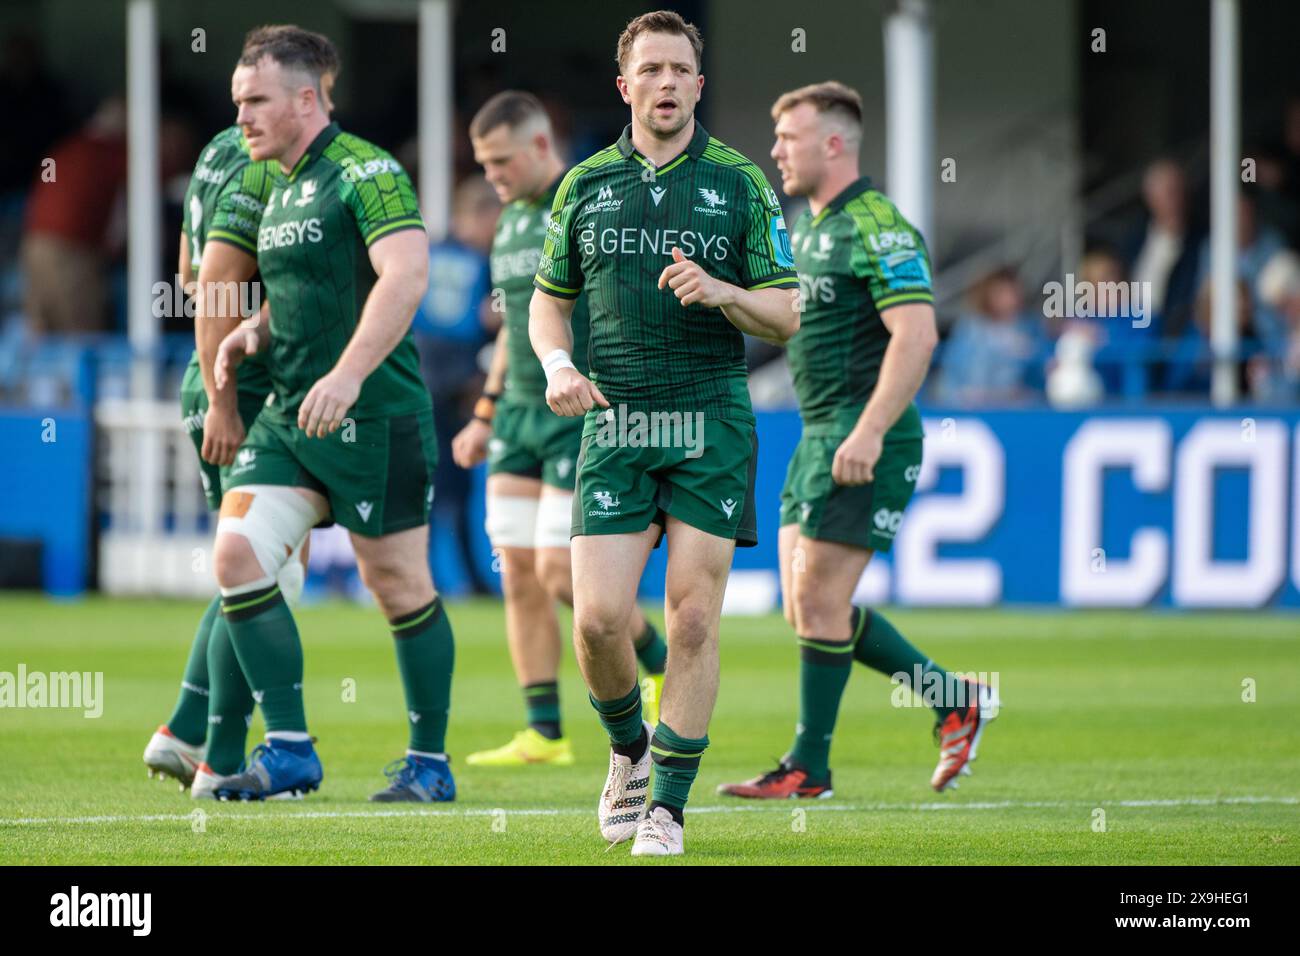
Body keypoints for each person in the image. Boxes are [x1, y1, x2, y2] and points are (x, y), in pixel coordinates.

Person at [530, 10, 799, 856]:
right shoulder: (583, 185)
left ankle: (669, 811)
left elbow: (787, 313)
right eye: (652, 71)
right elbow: (547, 300)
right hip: (614, 418)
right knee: (599, 621)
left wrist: (724, 291)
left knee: (690, 620)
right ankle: (628, 753)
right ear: (626, 86)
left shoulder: (740, 180)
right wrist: (555, 364)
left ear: (699, 84)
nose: (668, 84)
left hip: (710, 418)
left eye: (682, 70)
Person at [717, 81, 998, 801]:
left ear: (834, 143)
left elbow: (917, 332)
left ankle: (810, 767)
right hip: (816, 434)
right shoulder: (800, 227)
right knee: (806, 608)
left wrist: (870, 430)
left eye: (790, 137)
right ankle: (953, 699)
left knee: (818, 603)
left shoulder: (879, 226)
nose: (776, 149)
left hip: (863, 434)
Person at [210, 25, 455, 803]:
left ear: (308, 98)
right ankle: (288, 748)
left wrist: (350, 374)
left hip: (375, 416)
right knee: (237, 555)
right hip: (290, 415)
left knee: (397, 584)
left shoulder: (367, 170)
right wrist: (257, 328)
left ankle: (429, 763)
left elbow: (406, 274)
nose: (242, 116)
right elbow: (305, 293)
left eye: (256, 101)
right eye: (238, 101)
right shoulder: (275, 184)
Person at [141, 44, 340, 799]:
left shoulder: (218, 152)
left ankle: (187, 733)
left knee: (246, 566)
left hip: (209, 372)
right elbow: (216, 285)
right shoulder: (271, 163)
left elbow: (189, 276)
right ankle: (219, 757)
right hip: (245, 382)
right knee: (262, 573)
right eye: (250, 100)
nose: (248, 113)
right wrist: (236, 373)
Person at [451, 91, 668, 767]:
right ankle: (544, 732)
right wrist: (485, 414)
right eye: (482, 166)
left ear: (541, 146)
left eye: (500, 162)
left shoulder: (588, 200)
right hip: (517, 411)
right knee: (515, 570)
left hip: (577, 411)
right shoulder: (511, 224)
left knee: (559, 572)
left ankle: (657, 664)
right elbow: (524, 327)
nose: (492, 178)